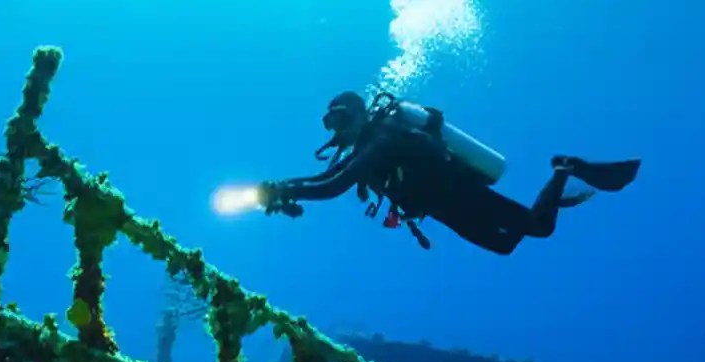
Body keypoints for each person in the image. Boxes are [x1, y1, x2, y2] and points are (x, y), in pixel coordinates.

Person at [257, 91, 641, 255]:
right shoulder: (366, 151)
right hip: (443, 209)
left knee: (539, 229)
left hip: (459, 194)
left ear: (357, 113)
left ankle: (563, 170)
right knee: (507, 244)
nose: (334, 130)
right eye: (329, 122)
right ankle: (555, 190)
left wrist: (283, 191)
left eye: (338, 119)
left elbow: (334, 185)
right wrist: (283, 188)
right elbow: (327, 178)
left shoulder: (384, 137)